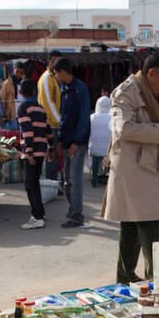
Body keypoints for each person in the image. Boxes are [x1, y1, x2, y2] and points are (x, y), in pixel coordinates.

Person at [99, 52, 159, 284]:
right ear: (151, 73)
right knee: (151, 223)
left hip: (145, 164)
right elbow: (124, 129)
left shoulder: (151, 93)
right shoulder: (123, 93)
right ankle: (155, 279)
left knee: (131, 223)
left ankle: (125, 276)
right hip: (130, 166)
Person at [53, 58, 90, 228]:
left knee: (75, 180)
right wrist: (60, 138)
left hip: (77, 143)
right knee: (66, 181)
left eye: (55, 73)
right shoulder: (64, 89)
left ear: (62, 72)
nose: (55, 76)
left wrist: (77, 141)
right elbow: (64, 116)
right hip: (67, 141)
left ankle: (77, 216)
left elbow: (83, 117)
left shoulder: (80, 88)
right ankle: (73, 209)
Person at [17, 78, 50, 229]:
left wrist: (28, 152)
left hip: (32, 151)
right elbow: (48, 130)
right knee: (34, 183)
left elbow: (27, 130)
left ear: (21, 92)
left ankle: (37, 216)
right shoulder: (41, 108)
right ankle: (40, 214)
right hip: (41, 149)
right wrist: (51, 148)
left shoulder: (23, 107)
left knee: (30, 184)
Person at [89, 95, 111, 188]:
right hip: (109, 152)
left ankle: (94, 174)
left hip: (94, 151)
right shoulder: (113, 118)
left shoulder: (92, 117)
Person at [39, 51, 63, 128]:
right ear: (48, 61)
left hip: (54, 124)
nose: (56, 65)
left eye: (58, 62)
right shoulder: (47, 78)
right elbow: (48, 103)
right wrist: (60, 122)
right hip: (51, 126)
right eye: (53, 62)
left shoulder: (55, 78)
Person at [0, 62, 24, 130]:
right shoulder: (7, 83)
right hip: (10, 118)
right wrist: (3, 117)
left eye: (21, 73)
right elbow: (2, 100)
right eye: (17, 72)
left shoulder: (23, 83)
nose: (19, 74)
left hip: (21, 116)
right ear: (14, 70)